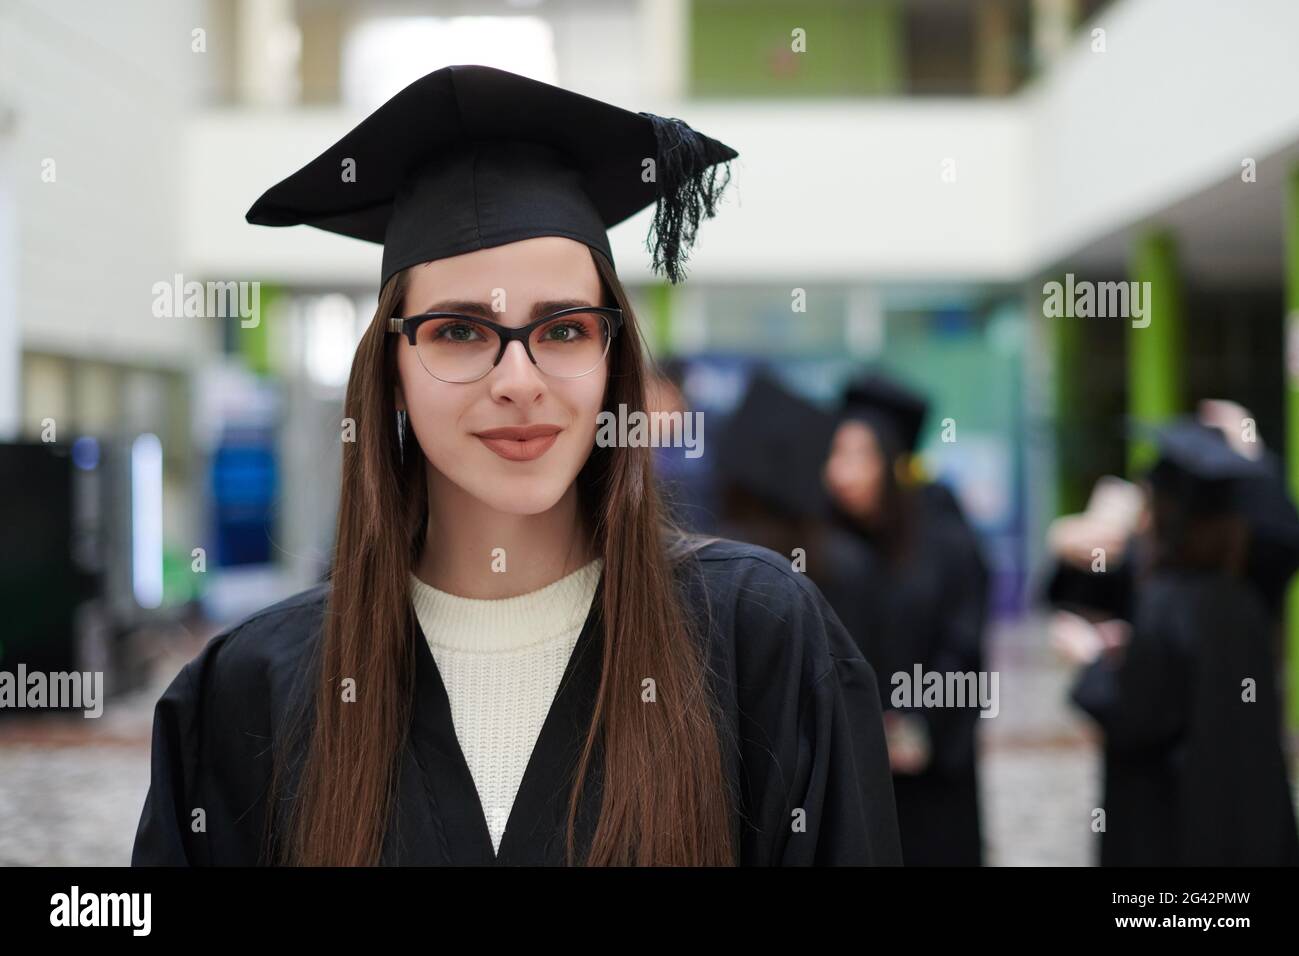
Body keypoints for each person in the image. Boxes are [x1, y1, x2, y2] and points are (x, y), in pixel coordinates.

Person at [130, 65, 901, 866]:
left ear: (613, 360)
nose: (518, 381)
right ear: (391, 370)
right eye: (459, 331)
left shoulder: (757, 639)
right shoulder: (251, 689)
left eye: (563, 328)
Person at [1060, 419, 1299, 865]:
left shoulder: (1165, 604)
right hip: (1243, 819)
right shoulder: (1243, 599)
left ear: (1164, 517)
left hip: (1171, 824)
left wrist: (1094, 659)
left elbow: (1137, 715)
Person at [818, 372, 989, 866]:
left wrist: (918, 725)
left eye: (859, 456)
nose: (843, 473)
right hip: (851, 764)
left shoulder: (944, 542)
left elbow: (963, 646)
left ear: (892, 464)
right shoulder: (822, 545)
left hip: (929, 767)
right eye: (834, 455)